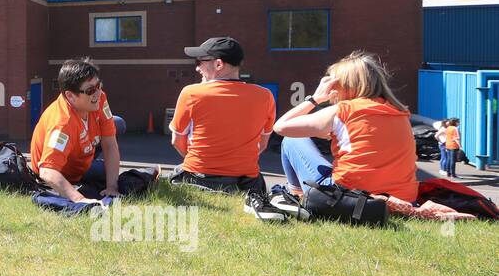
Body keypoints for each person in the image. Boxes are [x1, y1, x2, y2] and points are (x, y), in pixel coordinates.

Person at [272, 51, 419, 212]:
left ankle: (299, 197)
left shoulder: (343, 111)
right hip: (404, 198)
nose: (332, 91)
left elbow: (280, 126)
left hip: (349, 198)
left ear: (347, 85)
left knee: (292, 141)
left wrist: (315, 99)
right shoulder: (400, 113)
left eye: (334, 85)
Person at [167, 36, 281, 219]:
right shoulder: (265, 96)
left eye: (200, 62)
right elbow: (263, 144)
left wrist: (206, 162)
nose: (197, 68)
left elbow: (177, 141)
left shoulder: (192, 93)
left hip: (197, 178)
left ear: (218, 64)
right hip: (247, 183)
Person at [30, 59, 157, 203]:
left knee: (118, 124)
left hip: (81, 150)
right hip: (65, 170)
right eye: (90, 90)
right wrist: (79, 199)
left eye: (98, 85)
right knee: (105, 172)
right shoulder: (62, 125)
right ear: (70, 96)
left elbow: (110, 143)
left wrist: (111, 187)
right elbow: (47, 171)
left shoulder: (100, 98)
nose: (97, 93)